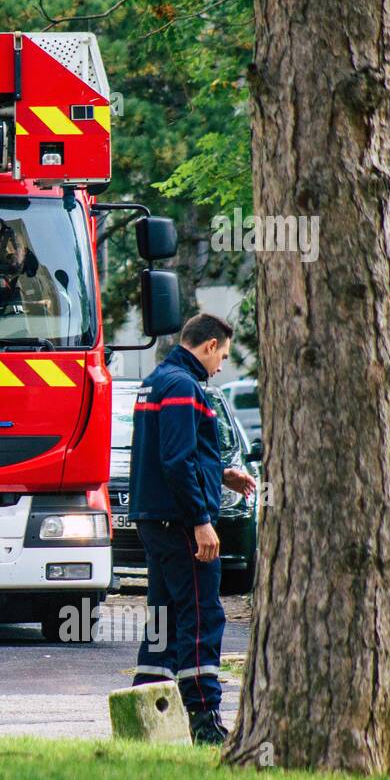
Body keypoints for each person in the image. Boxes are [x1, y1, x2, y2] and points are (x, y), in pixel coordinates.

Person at [127, 313, 256, 746]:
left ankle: (146, 712)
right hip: (181, 522)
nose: (220, 365)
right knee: (202, 615)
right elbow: (177, 459)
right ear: (207, 346)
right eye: (221, 354)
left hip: (153, 520)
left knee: (162, 617)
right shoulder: (185, 387)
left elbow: (176, 454)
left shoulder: (157, 381)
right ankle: (204, 721)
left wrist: (222, 474)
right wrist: (202, 520)